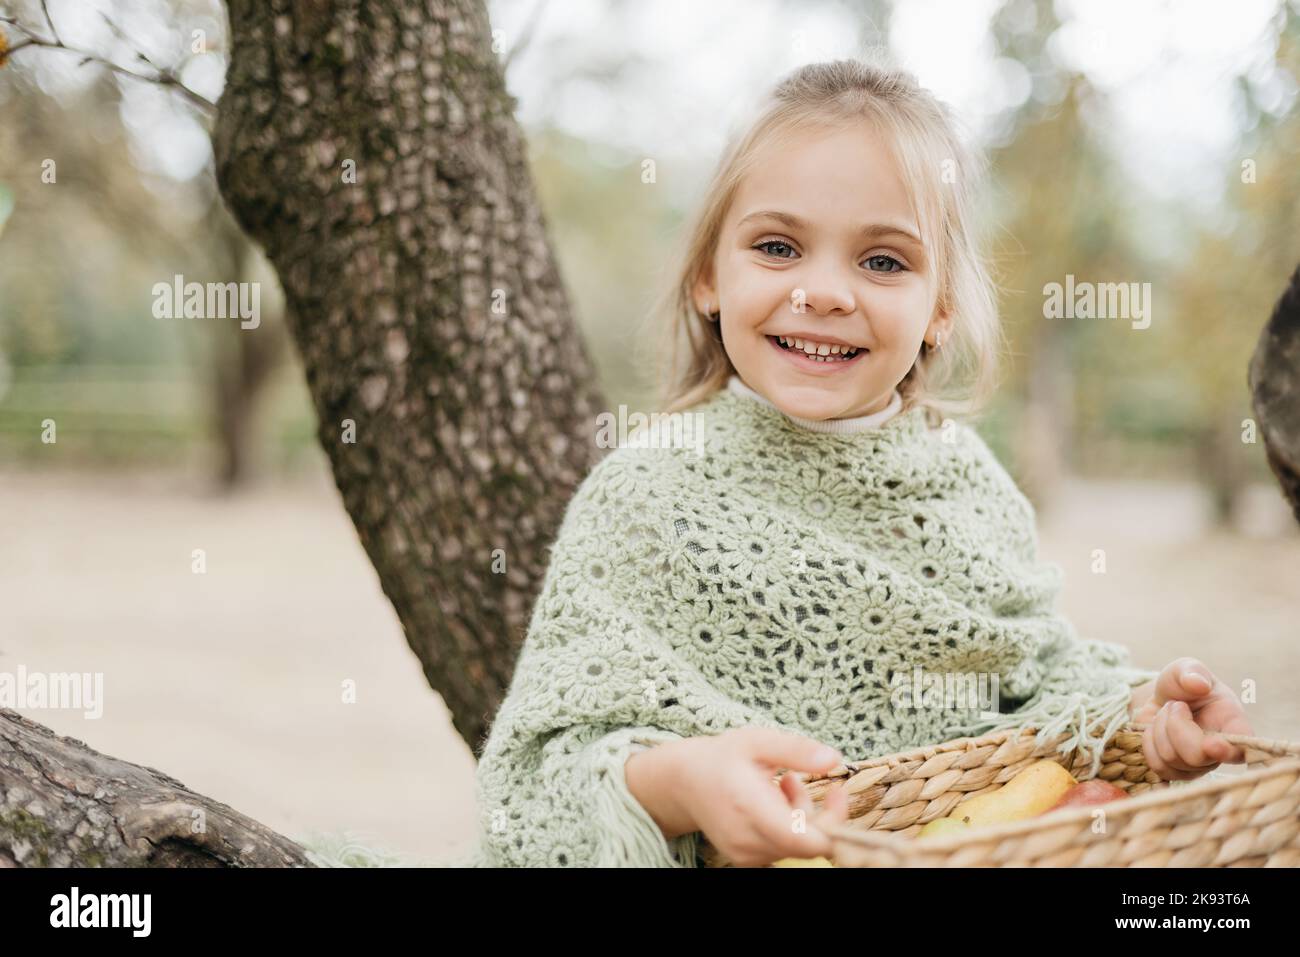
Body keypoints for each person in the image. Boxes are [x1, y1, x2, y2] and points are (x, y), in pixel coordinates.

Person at [462, 57, 1253, 869]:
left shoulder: (967, 483)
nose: (825, 291)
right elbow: (540, 778)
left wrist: (1143, 711)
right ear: (708, 275)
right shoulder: (644, 496)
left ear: (940, 308)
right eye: (777, 246)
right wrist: (679, 782)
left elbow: (1037, 682)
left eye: (882, 261)